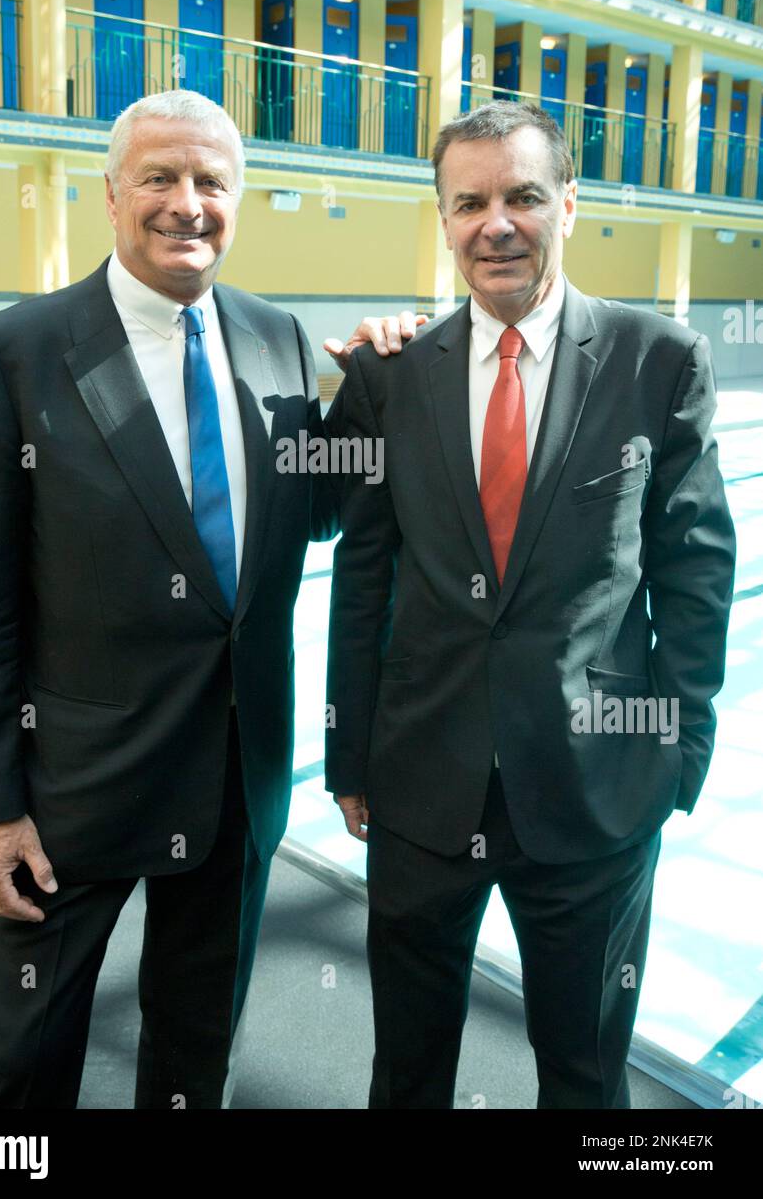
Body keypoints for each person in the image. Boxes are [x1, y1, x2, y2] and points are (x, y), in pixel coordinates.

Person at [0, 88, 415, 1110]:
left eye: (210, 181)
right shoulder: (10, 353)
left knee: (196, 1049)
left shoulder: (275, 337)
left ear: (235, 199)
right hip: (74, 784)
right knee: (21, 1061)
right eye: (159, 177)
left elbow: (312, 511)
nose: (185, 203)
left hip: (236, 774)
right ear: (110, 196)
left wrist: (374, 380)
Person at [325, 100, 737, 1109]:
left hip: (596, 792)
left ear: (568, 204)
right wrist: (347, 754)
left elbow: (693, 569)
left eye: (520, 196)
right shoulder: (391, 375)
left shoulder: (655, 361)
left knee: (584, 1076)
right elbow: (361, 575)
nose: (493, 223)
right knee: (406, 1070)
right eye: (467, 203)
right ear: (441, 217)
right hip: (420, 789)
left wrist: (673, 757)